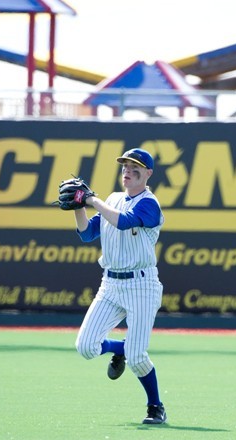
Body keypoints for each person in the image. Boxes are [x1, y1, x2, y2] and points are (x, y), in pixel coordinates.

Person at [71, 148, 167, 425]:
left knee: (138, 357)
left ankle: (155, 406)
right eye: (125, 165)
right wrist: (78, 207)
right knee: (86, 347)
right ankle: (120, 348)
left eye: (136, 167)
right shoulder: (113, 199)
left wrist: (91, 199)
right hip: (110, 283)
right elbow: (88, 234)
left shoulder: (149, 203)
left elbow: (124, 222)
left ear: (148, 174)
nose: (128, 170)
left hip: (142, 285)